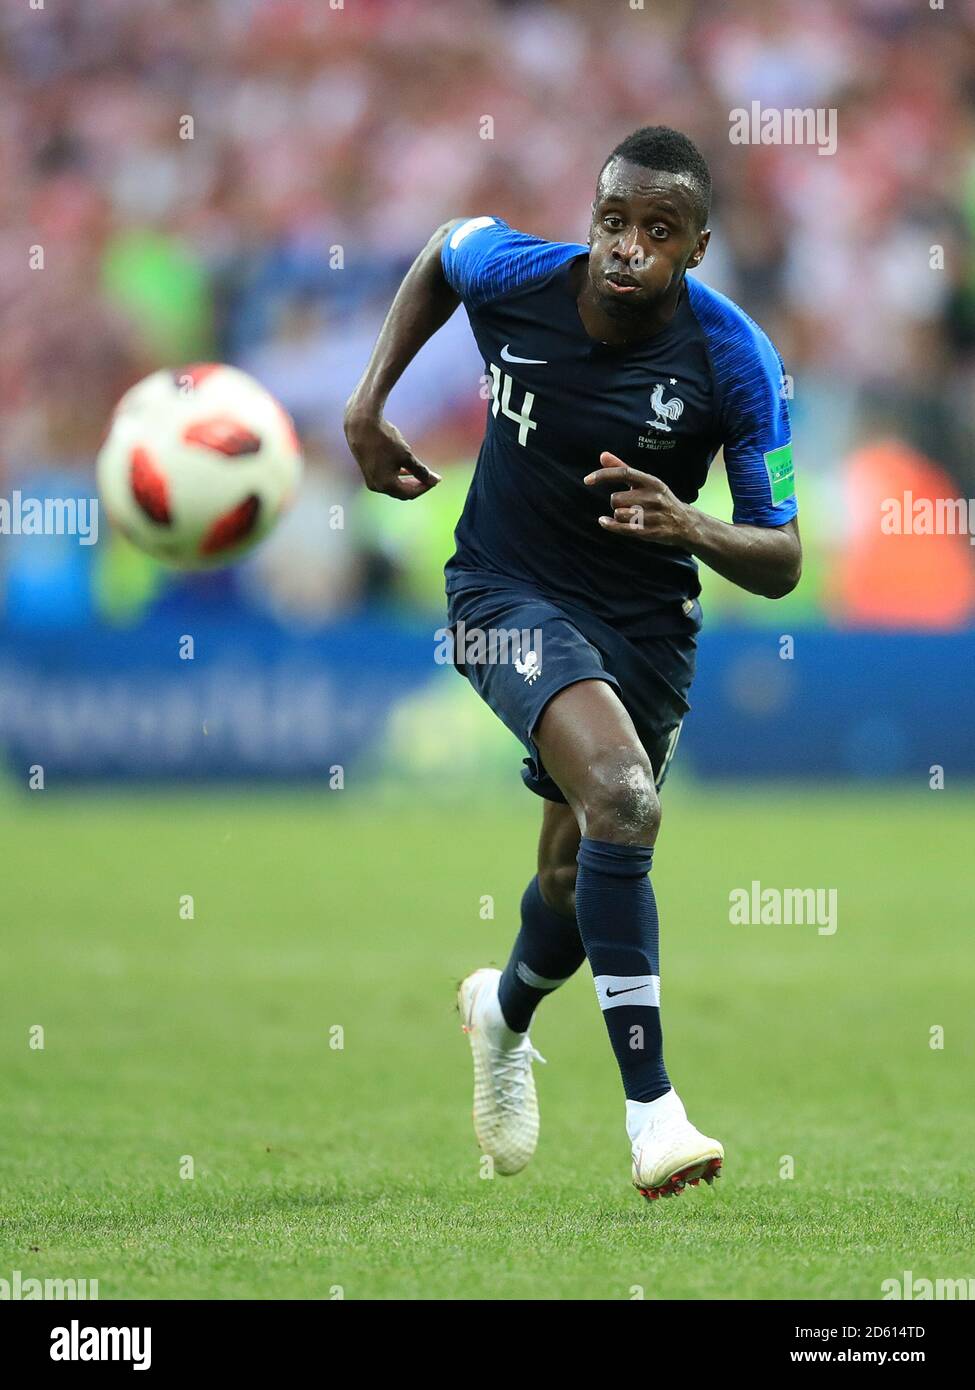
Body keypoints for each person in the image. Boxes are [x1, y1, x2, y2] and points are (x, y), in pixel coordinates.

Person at [344, 126, 801, 1200]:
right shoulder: (520, 278)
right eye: (613, 220)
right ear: (590, 219)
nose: (626, 246)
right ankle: (655, 1115)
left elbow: (781, 555)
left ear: (697, 247)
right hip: (500, 593)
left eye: (657, 230)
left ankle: (499, 1013)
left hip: (643, 630)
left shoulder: (736, 359)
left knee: (570, 873)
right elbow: (446, 251)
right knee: (624, 798)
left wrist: (692, 525)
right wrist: (369, 406)